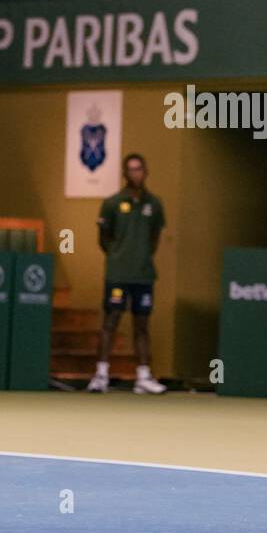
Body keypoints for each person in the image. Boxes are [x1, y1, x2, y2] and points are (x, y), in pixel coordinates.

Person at [89, 153, 167, 395]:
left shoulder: (154, 204)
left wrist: (141, 257)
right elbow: (104, 238)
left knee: (142, 325)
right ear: (124, 173)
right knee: (111, 321)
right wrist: (117, 256)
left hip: (143, 275)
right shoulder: (112, 203)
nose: (136, 173)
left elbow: (155, 238)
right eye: (131, 170)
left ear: (145, 172)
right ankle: (101, 375)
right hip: (118, 274)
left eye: (140, 169)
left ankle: (143, 377)